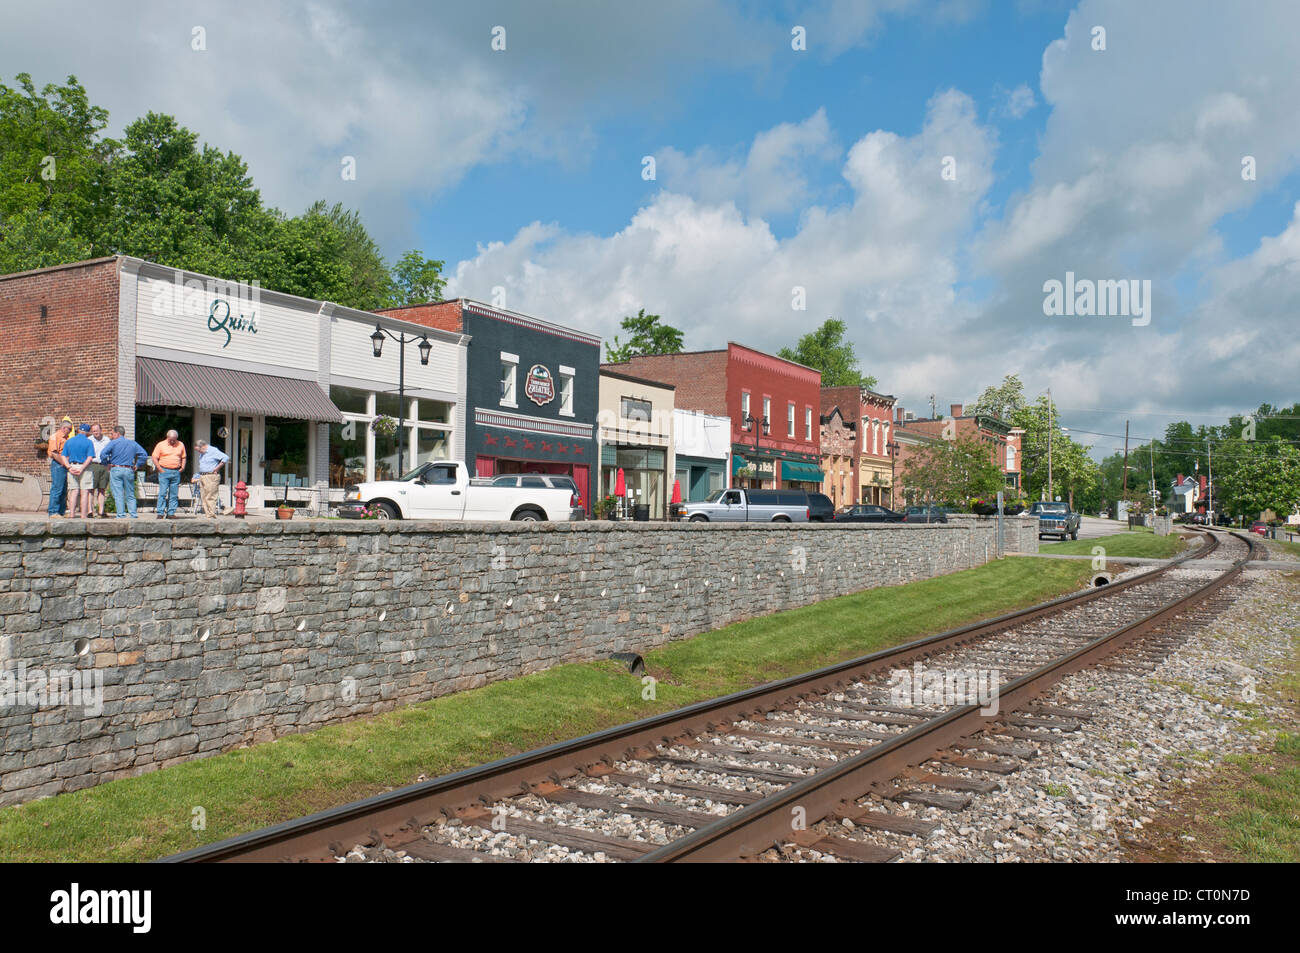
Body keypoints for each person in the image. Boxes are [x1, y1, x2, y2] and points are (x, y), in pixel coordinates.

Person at [100, 425, 150, 518]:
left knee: (118, 493)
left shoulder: (113, 443)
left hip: (116, 468)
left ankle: (121, 515)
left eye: (112, 434)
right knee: (130, 493)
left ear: (117, 433)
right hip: (129, 469)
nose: (111, 436)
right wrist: (137, 465)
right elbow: (143, 455)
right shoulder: (133, 443)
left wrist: (106, 463)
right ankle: (133, 514)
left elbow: (103, 454)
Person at [62, 424, 97, 519]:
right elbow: (90, 457)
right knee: (84, 492)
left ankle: (72, 514)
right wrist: (82, 468)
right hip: (85, 468)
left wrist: (68, 467)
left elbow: (63, 456)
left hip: (72, 466)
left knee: (74, 491)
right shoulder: (89, 442)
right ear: (87, 432)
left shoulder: (69, 441)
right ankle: (83, 515)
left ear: (78, 430)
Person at [151, 430, 187, 519]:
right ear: (167, 437)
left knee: (174, 494)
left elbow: (184, 457)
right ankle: (160, 513)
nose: (172, 441)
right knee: (162, 493)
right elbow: (154, 457)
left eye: (174, 440)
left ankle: (171, 513)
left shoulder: (181, 444)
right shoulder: (160, 445)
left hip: (176, 471)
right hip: (164, 471)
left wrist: (182, 467)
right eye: (171, 439)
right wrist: (159, 468)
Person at [193, 439, 229, 518]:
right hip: (202, 476)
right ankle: (208, 515)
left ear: (202, 446)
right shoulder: (202, 453)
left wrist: (217, 468)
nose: (199, 452)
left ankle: (212, 515)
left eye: (198, 450)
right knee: (204, 496)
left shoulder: (213, 450)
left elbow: (225, 457)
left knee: (211, 496)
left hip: (211, 476)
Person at [45, 418, 73, 518]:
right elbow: (53, 453)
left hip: (64, 464)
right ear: (64, 428)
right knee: (57, 488)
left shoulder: (67, 438)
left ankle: (61, 511)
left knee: (64, 489)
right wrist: (64, 463)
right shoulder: (55, 436)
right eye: (69, 429)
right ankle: (53, 512)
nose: (70, 431)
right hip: (58, 464)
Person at [88, 423, 112, 518]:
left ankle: (101, 512)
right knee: (91, 489)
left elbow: (111, 453)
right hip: (93, 465)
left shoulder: (107, 440)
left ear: (101, 430)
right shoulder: (89, 440)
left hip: (104, 466)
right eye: (93, 431)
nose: (95, 433)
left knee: (102, 489)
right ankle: (90, 511)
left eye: (97, 430)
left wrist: (109, 465)